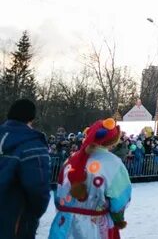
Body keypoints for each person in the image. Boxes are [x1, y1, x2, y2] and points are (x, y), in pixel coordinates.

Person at [49, 118, 132, 239]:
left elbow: (59, 190)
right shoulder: (113, 163)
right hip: (94, 227)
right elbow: (120, 199)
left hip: (64, 224)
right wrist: (118, 219)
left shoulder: (70, 160)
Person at [0, 99, 51, 239]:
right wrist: (33, 215)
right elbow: (38, 186)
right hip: (15, 220)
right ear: (31, 118)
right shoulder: (32, 144)